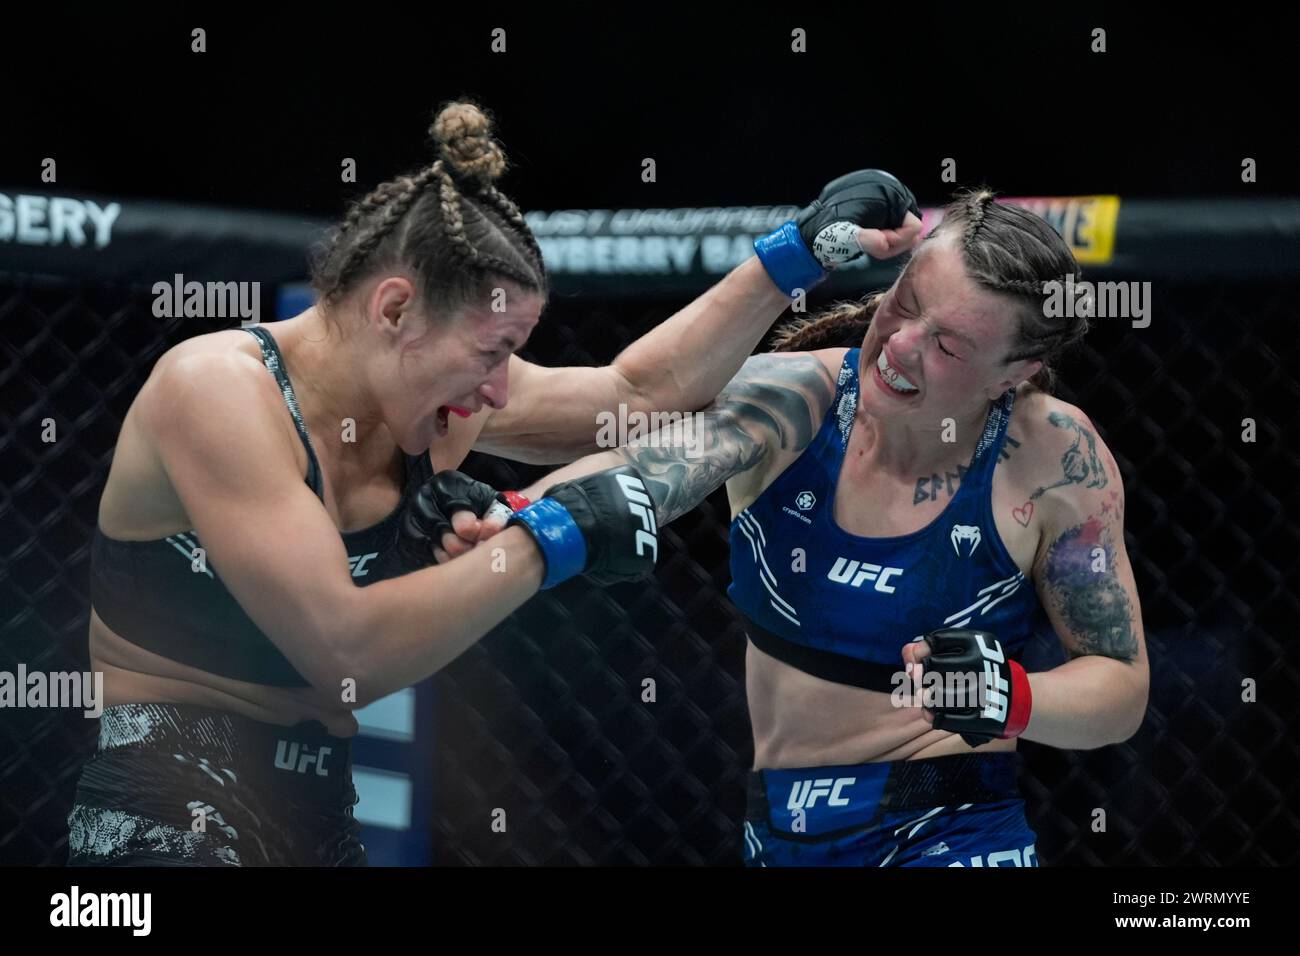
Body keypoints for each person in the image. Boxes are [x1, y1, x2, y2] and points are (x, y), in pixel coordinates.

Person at [67, 99, 922, 865]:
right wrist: (546, 536)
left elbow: (636, 396)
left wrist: (792, 258)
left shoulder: (441, 406)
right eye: (489, 352)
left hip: (315, 795)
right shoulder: (216, 391)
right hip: (166, 779)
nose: (497, 391)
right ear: (395, 310)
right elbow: (342, 652)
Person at [477, 188, 1149, 867]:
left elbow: (1120, 687)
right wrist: (514, 520)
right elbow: (639, 468)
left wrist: (1013, 695)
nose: (901, 344)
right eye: (907, 303)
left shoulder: (1053, 460)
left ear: (1017, 371)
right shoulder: (795, 400)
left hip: (954, 828)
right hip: (779, 832)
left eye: (947, 344)